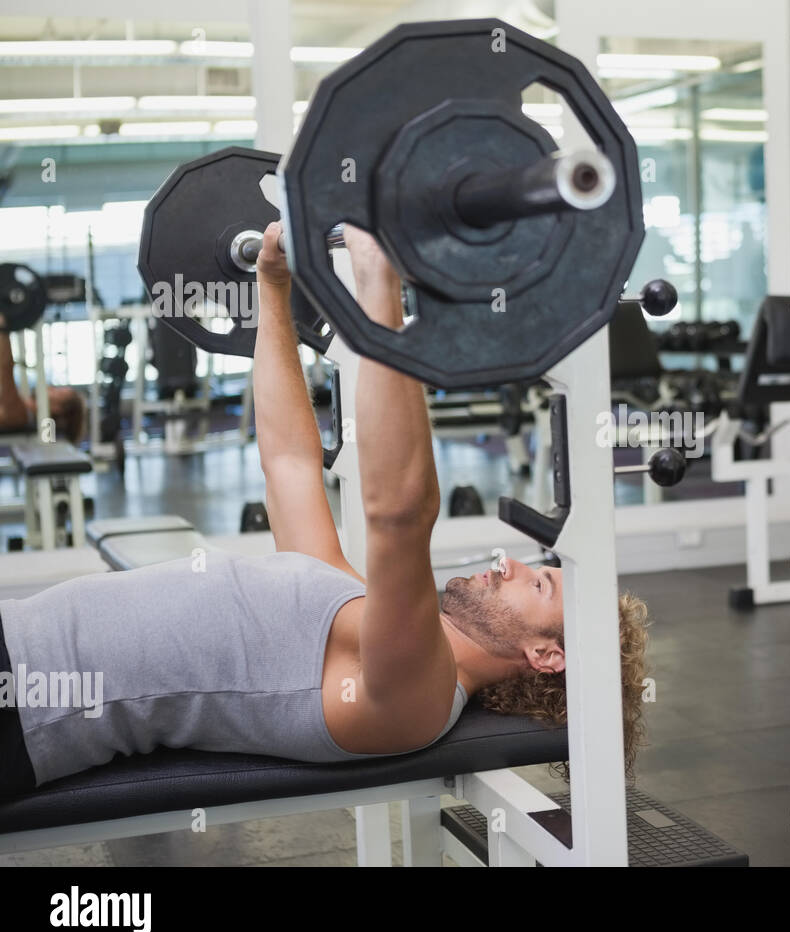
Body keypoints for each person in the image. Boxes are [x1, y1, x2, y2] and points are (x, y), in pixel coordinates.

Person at [0, 224, 650, 797]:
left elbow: (400, 511)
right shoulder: (352, 604)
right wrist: (272, 291)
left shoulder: (422, 697)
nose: (508, 562)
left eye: (538, 584)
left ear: (546, 655)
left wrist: (379, 285)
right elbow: (287, 461)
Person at [0, 322, 86, 442]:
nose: (50, 388)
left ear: (57, 409)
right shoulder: (23, 411)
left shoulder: (22, 415)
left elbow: (5, 367)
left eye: (57, 392)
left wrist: (3, 324)